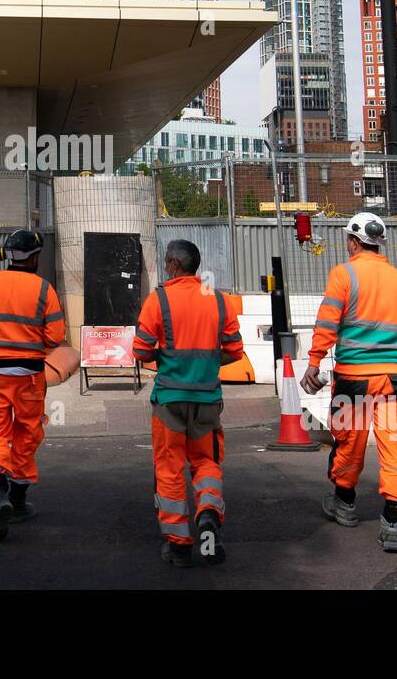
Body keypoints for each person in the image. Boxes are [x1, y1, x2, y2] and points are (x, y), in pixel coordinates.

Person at [300, 212, 397, 553]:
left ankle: (345, 505)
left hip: (353, 381)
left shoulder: (343, 274)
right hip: (395, 381)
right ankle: (394, 521)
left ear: (354, 242)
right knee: (394, 449)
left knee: (349, 446)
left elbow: (327, 322)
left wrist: (314, 363)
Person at [132, 239, 243, 568]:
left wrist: (164, 358)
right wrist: (206, 365)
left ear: (173, 265)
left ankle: (179, 545)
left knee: (170, 468)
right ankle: (208, 515)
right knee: (206, 464)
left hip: (169, 401)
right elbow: (235, 350)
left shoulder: (158, 300)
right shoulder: (218, 300)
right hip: (208, 399)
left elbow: (140, 351)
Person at [0, 229, 65, 542]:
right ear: (35, 257)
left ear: (5, 255)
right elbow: (54, 337)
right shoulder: (44, 290)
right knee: (26, 433)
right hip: (29, 377)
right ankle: (19, 501)